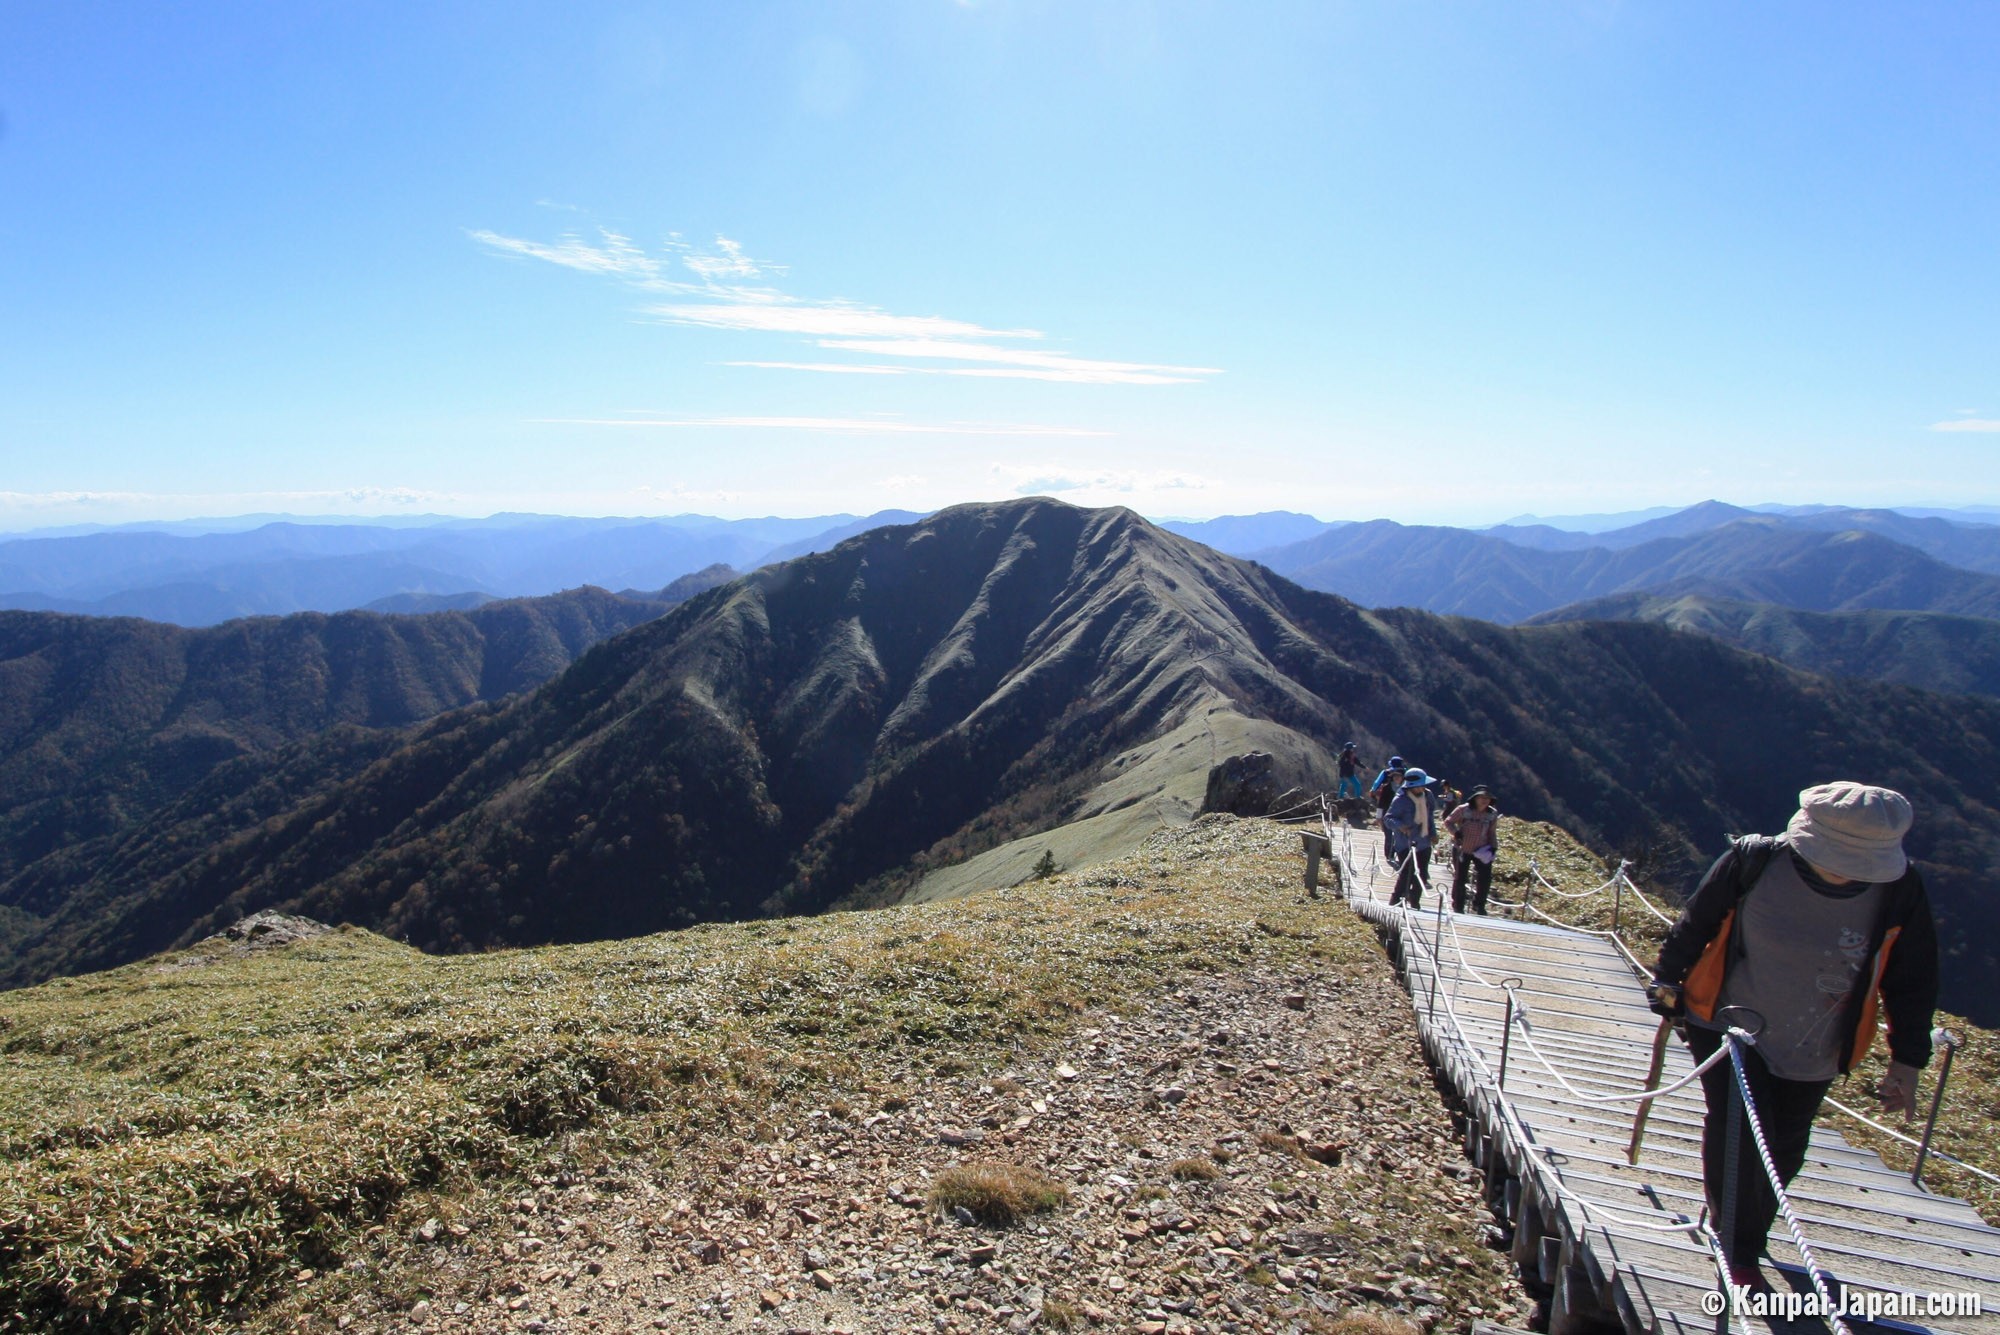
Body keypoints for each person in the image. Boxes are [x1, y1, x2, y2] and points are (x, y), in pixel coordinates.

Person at [1647, 783, 1939, 1291]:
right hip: (1728, 1022)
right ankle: (1739, 1249)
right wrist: (1668, 984)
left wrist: (1907, 1060)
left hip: (1820, 1043)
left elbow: (1913, 976)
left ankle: (1746, 1229)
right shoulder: (1755, 861)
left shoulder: (1900, 890)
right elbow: (1696, 923)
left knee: (1784, 1142)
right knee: (1739, 1128)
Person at [1385, 767, 1440, 908]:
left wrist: (1433, 833)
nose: (1423, 788)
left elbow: (1429, 817)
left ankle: (1414, 900)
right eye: (1421, 785)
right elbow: (1389, 818)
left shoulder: (1428, 796)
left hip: (1424, 841)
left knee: (1422, 873)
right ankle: (1396, 899)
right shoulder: (1401, 799)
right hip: (1405, 843)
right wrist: (1401, 826)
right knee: (1406, 873)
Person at [1444, 785, 1499, 914]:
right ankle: (1458, 905)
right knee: (1460, 878)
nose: (1484, 801)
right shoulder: (1463, 810)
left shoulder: (1492, 814)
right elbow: (1448, 821)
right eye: (1481, 797)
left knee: (1485, 878)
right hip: (1462, 848)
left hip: (1482, 851)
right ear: (1474, 798)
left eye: (1487, 798)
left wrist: (1494, 847)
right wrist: (1456, 833)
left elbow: (1492, 832)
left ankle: (1479, 905)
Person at [1371, 756, 1406, 858]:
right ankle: (1393, 854)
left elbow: (1377, 784)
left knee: (1392, 835)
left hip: (1392, 813)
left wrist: (1373, 790)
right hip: (1395, 813)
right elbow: (1382, 802)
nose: (1396, 778)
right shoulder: (1405, 782)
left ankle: (1392, 854)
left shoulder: (1385, 773)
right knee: (1394, 834)